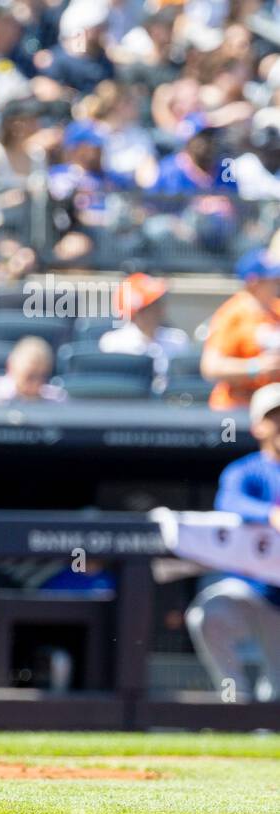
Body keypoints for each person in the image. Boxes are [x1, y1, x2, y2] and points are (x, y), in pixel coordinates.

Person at [184, 383, 280, 702]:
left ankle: (266, 713)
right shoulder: (246, 470)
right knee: (208, 613)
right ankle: (235, 698)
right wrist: (270, 514)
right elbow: (229, 500)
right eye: (274, 417)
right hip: (252, 589)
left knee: (276, 695)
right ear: (258, 425)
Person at [201, 250, 280, 411]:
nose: (277, 282)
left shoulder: (276, 309)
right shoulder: (231, 315)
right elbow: (211, 367)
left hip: (272, 407)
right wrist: (255, 367)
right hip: (235, 407)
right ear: (253, 282)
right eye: (272, 279)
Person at [99, 272, 188, 391]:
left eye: (159, 303)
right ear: (136, 312)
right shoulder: (113, 343)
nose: (160, 309)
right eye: (152, 305)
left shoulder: (177, 340)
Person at [0, 336, 67, 404]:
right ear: (10, 367)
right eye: (30, 376)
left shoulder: (57, 399)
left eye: (43, 376)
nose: (36, 384)